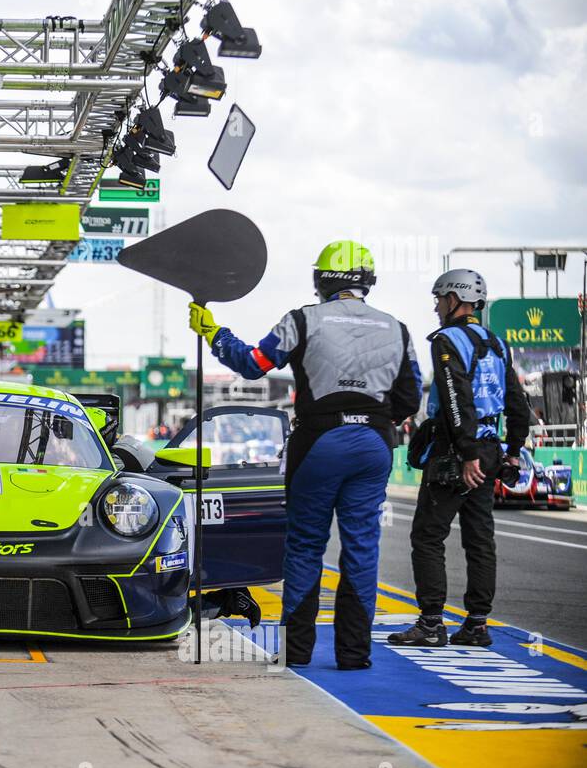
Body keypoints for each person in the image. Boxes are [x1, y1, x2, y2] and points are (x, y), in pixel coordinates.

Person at [189, 240, 421, 669]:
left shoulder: (302, 319)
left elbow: (252, 363)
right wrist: (374, 418)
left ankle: (297, 652)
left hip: (318, 442)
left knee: (305, 547)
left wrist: (212, 332)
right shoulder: (398, 328)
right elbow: (410, 397)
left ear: (321, 280)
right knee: (362, 549)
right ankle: (354, 655)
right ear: (368, 282)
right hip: (373, 444)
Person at [389, 269, 530, 649]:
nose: (435, 307)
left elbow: (455, 398)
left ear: (454, 299)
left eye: (439, 299)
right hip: (490, 449)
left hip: (457, 451)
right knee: (480, 539)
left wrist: (466, 454)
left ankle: (431, 623)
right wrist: (514, 451)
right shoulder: (497, 343)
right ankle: (477, 625)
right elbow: (518, 402)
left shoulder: (447, 340)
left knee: (428, 536)